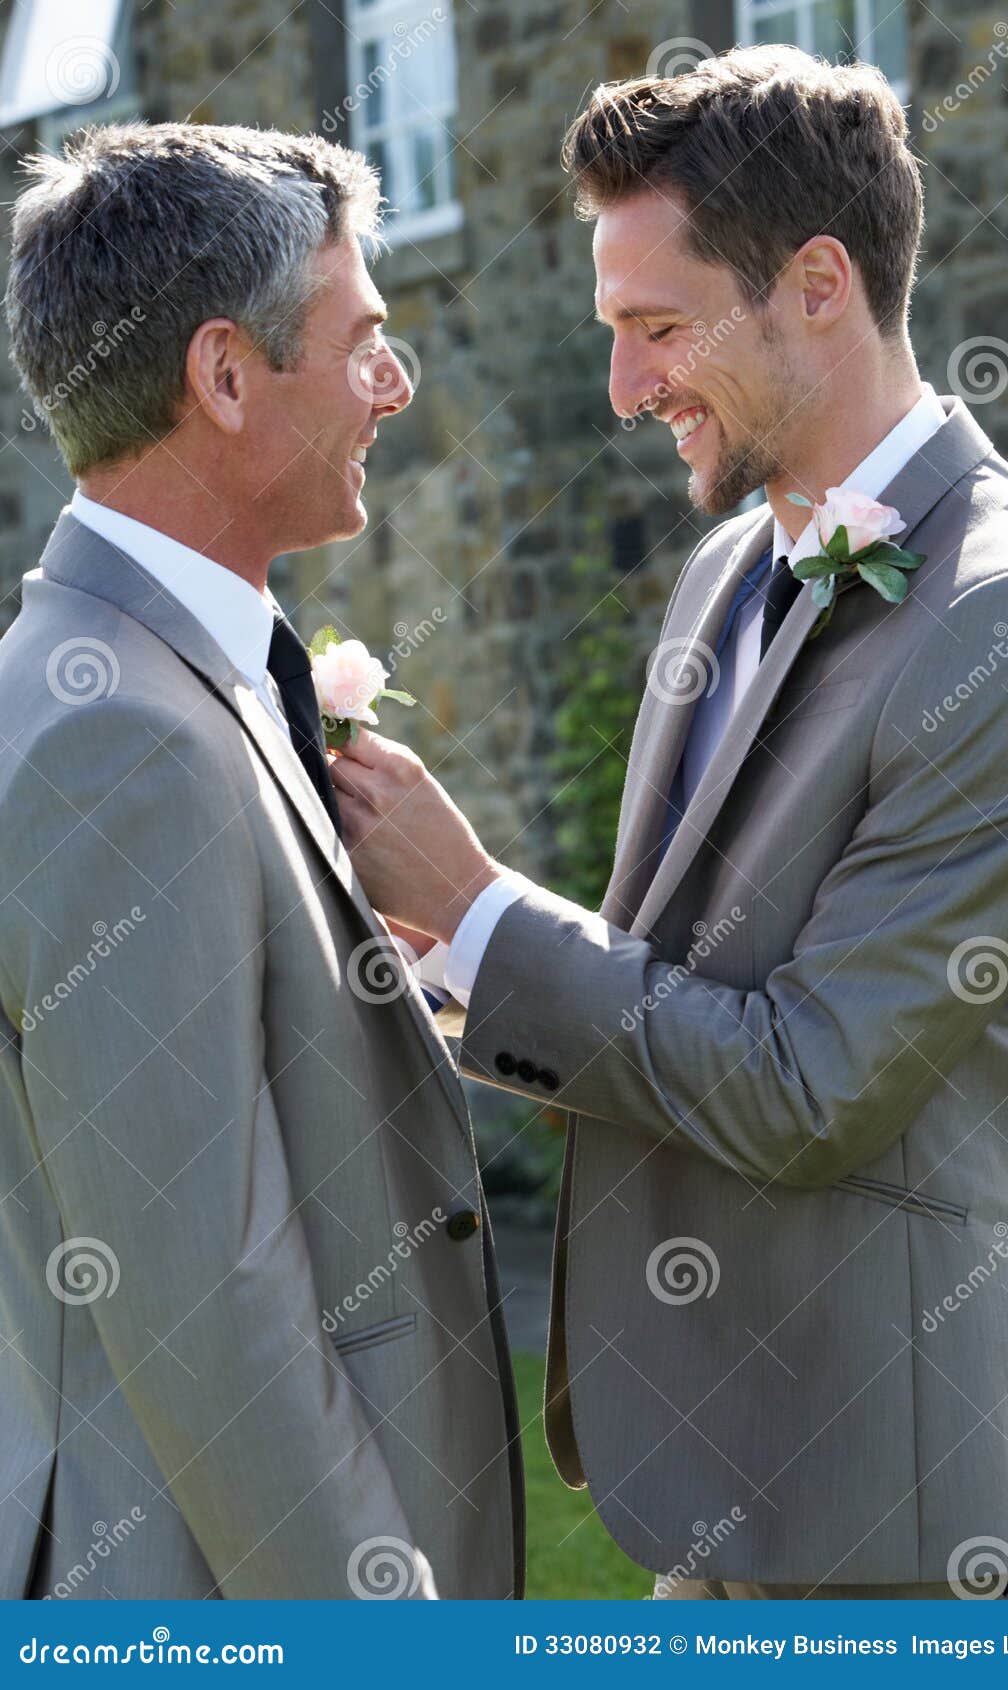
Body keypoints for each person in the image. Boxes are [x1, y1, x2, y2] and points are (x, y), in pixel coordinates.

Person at [330, 46, 1008, 1600]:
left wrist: (483, 908)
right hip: (711, 1502)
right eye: (616, 332)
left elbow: (813, 1081)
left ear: (818, 285)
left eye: (659, 329)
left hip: (913, 1526)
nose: (625, 389)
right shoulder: (727, 569)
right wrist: (449, 951)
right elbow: (672, 991)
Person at [0, 121, 522, 1600]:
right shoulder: (121, 741)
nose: (394, 386)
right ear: (225, 378)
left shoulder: (139, 681)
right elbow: (204, 1299)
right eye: (362, 342)